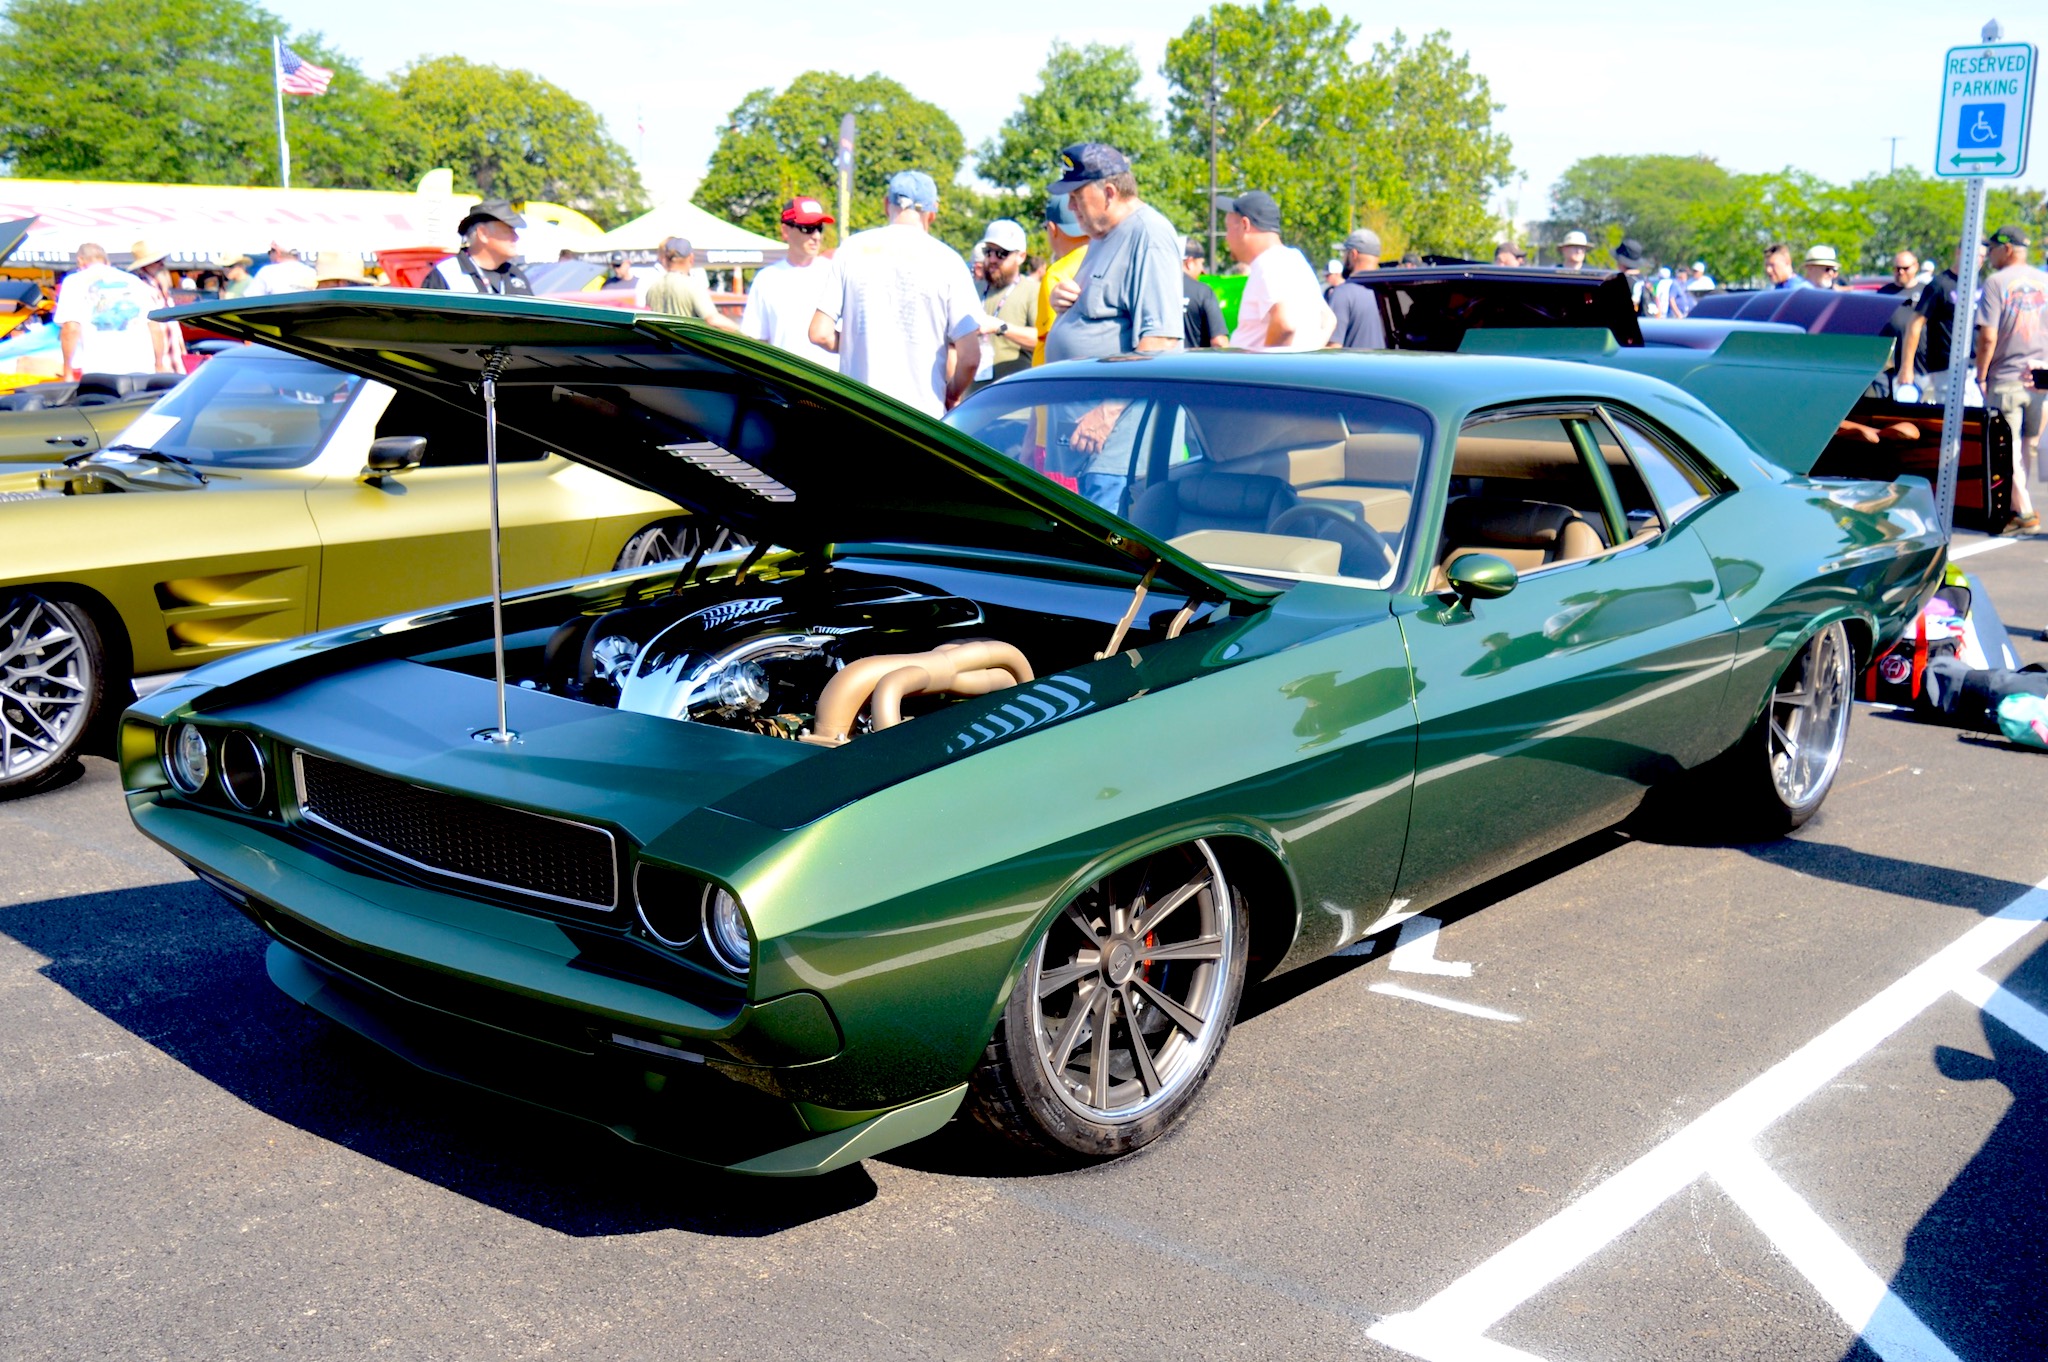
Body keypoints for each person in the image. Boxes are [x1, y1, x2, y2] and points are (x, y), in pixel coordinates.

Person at [808, 170, 983, 416]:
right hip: (920, 421)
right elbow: (970, 357)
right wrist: (951, 393)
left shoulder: (851, 250)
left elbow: (820, 333)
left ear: (885, 204)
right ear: (932, 213)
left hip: (857, 411)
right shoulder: (948, 261)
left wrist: (857, 344)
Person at [1042, 142, 1184, 363]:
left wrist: (1117, 399)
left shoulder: (1149, 234)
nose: (1070, 207)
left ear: (1109, 193)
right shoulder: (1102, 235)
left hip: (1113, 396)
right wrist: (1063, 303)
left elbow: (1160, 341)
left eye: (1076, 197)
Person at [1976, 225, 2048, 532]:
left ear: (2007, 249)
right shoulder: (2045, 280)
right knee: (2026, 445)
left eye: (1992, 248)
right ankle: (2020, 505)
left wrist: (1981, 374)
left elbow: (1988, 336)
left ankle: (2024, 510)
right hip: (2041, 374)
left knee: (2008, 445)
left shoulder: (1996, 282)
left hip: (2006, 375)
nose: (1989, 254)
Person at [1218, 190, 1332, 351]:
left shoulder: (1270, 262)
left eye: (1227, 228)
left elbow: (1285, 323)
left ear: (1245, 225)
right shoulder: (1295, 259)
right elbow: (1328, 320)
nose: (1226, 238)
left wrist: (1264, 370)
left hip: (1257, 374)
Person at [739, 197, 840, 365]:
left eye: (819, 228)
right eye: (807, 228)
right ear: (786, 231)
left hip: (831, 386)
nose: (816, 236)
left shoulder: (836, 273)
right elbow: (756, 341)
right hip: (786, 386)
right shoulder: (766, 279)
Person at [54, 242, 161, 377]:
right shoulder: (134, 281)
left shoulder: (74, 282)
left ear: (80, 261)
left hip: (100, 370)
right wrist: (159, 364)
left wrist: (67, 370)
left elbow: (71, 329)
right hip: (141, 367)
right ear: (107, 261)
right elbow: (154, 327)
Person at [1900, 242, 1985, 406]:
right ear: (1959, 252)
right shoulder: (1940, 284)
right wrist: (1907, 367)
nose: (1979, 260)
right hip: (1946, 367)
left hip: (1974, 367)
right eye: (1977, 255)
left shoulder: (1980, 284)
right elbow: (1915, 325)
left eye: (1983, 257)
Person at [420, 201, 534, 296]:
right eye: (508, 231)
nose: (516, 237)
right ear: (483, 233)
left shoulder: (516, 275)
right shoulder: (447, 274)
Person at [974, 218, 1040, 380]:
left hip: (1014, 399)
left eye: (1001, 253)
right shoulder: (974, 289)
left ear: (1021, 257)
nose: (993, 259)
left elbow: (1043, 340)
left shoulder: (1032, 291)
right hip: (973, 397)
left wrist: (1001, 327)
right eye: (988, 252)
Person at [1034, 196, 1091, 366]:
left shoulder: (1057, 274)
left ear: (1053, 229)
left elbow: (1052, 340)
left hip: (1057, 379)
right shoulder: (1106, 258)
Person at [645, 237, 739, 330]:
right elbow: (712, 319)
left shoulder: (653, 287)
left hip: (661, 343)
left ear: (666, 259)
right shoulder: (692, 285)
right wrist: (742, 332)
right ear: (691, 258)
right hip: (685, 343)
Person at [127, 240, 185, 372]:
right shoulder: (140, 287)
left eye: (162, 259)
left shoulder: (160, 286)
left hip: (173, 358)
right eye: (157, 261)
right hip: (158, 362)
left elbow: (173, 325)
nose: (162, 264)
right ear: (146, 265)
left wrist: (182, 349)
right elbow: (153, 327)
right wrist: (158, 363)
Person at [1327, 227, 1387, 350]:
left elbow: (1333, 349)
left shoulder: (1342, 294)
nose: (1343, 258)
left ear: (1353, 254)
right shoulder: (1389, 292)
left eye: (1345, 253)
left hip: (1352, 368)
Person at [1180, 238, 1227, 350]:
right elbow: (1219, 342)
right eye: (1201, 263)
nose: (1203, 270)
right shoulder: (1202, 292)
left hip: (1157, 365)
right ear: (1189, 263)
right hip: (1194, 366)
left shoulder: (1152, 291)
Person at [244, 241, 318, 296]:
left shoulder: (268, 272)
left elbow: (250, 299)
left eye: (270, 252)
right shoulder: (311, 272)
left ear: (277, 252)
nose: (269, 255)